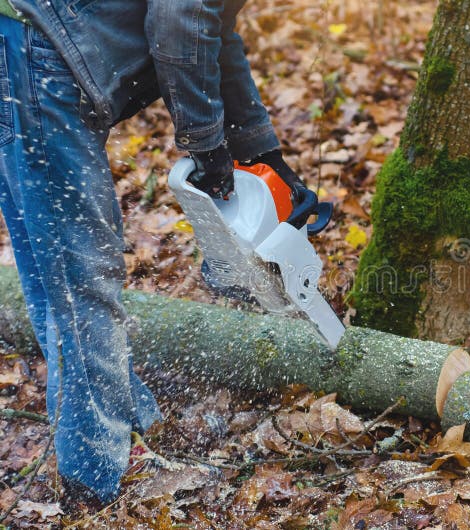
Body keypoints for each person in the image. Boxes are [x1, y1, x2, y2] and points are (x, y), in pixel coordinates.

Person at [0, 0, 315, 505]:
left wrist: (259, 149)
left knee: (50, 266)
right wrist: (207, 146)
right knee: (79, 277)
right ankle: (96, 479)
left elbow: (214, 27)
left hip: (25, 37)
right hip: (40, 50)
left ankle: (125, 420)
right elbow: (180, 17)